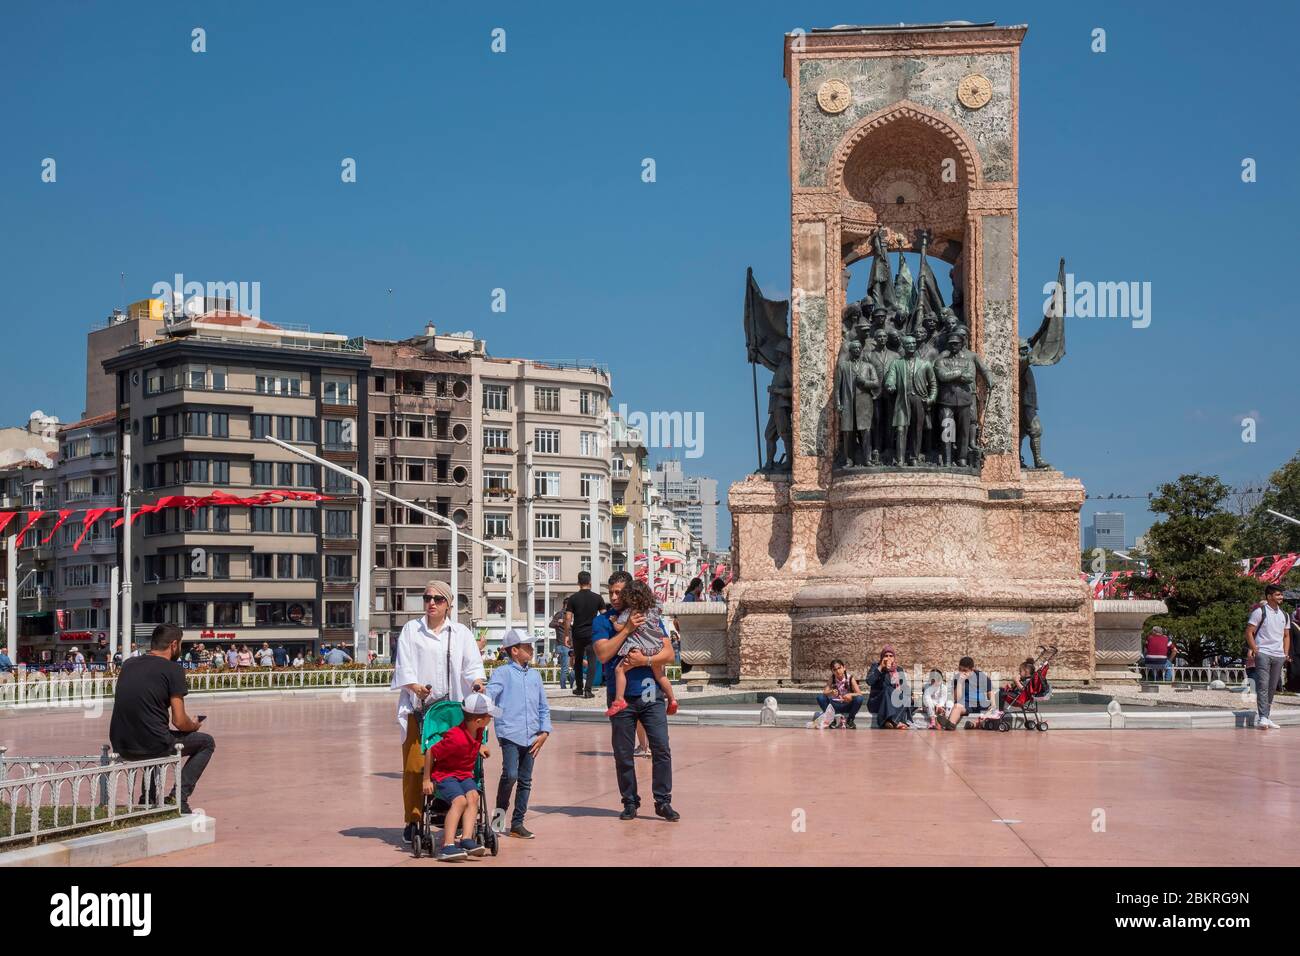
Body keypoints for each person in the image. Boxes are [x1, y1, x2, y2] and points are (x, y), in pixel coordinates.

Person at [393, 579, 486, 843]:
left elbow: (472, 667)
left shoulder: (461, 633)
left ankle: (451, 813)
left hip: (453, 712)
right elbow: (404, 665)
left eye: (438, 599)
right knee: (414, 767)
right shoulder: (412, 629)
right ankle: (412, 818)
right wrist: (414, 686)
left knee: (454, 763)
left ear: (448, 605)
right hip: (418, 709)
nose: (431, 603)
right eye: (427, 598)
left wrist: (478, 682)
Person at [592, 570, 679, 822]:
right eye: (611, 593)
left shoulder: (648, 614)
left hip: (651, 693)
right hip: (621, 697)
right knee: (622, 752)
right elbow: (603, 654)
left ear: (630, 592)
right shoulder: (604, 621)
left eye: (619, 592)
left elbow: (669, 654)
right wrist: (627, 629)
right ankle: (630, 802)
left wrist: (645, 659)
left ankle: (663, 801)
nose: (615, 597)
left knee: (661, 747)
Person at [108, 623, 215, 814]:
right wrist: (194, 724)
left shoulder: (128, 664)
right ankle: (178, 797)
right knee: (206, 743)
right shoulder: (172, 669)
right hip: (152, 745)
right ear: (174, 645)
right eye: (180, 645)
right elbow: (179, 721)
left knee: (155, 731)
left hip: (120, 743)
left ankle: (147, 798)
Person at [485, 629, 551, 840]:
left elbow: (543, 707)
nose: (531, 649)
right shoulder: (502, 673)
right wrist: (501, 717)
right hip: (510, 735)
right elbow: (488, 700)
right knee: (510, 775)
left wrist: (545, 731)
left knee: (525, 780)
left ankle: (517, 824)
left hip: (532, 736)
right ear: (514, 651)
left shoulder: (535, 675)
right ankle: (497, 821)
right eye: (527, 646)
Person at [422, 690, 498, 861]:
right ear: (479, 720)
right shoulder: (455, 738)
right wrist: (426, 779)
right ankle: (447, 845)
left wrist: (479, 747)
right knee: (460, 801)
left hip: (464, 774)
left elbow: (470, 743)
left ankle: (466, 839)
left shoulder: (477, 732)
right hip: (445, 775)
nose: (491, 719)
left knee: (473, 796)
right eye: (490, 717)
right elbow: (431, 752)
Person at [604, 579, 679, 718]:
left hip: (638, 647)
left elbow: (619, 627)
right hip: (654, 646)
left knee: (619, 670)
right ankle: (672, 698)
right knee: (660, 674)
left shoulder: (630, 612)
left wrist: (614, 620)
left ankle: (619, 700)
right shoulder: (655, 607)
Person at [1245, 584, 1290, 730]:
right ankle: (1263, 717)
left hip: (1278, 655)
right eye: (1278, 594)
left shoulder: (1285, 615)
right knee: (1263, 685)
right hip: (1263, 653)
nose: (1281, 597)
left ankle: (1267, 716)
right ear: (1269, 597)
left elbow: (1286, 635)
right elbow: (1249, 632)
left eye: (1281, 594)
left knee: (1272, 687)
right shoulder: (1259, 612)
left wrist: (1285, 653)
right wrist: (1255, 649)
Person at [564, 572, 605, 699]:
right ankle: (588, 690)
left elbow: (568, 617)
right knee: (592, 661)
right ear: (590, 583)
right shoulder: (597, 598)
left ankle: (579, 688)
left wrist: (567, 635)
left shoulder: (573, 598)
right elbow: (604, 616)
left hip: (577, 634)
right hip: (592, 634)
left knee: (578, 660)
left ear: (578, 583)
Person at [936, 657, 992, 730]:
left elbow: (990, 691)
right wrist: (960, 682)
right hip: (966, 705)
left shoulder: (981, 676)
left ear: (972, 669)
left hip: (981, 704)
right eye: (960, 670)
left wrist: (992, 703)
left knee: (993, 711)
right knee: (957, 707)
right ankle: (950, 725)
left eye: (965, 670)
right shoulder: (957, 678)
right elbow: (957, 698)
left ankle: (974, 724)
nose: (962, 672)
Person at [864, 646, 911, 729]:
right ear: (882, 657)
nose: (888, 658)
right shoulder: (876, 666)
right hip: (877, 701)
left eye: (891, 656)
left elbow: (904, 687)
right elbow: (869, 681)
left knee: (908, 696)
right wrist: (881, 667)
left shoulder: (899, 669)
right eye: (886, 656)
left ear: (894, 658)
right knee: (888, 689)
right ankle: (894, 721)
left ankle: (891, 721)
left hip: (894, 700)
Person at [815, 659, 863, 728]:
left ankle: (850, 720)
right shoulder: (832, 678)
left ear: (844, 668)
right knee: (820, 698)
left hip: (847, 704)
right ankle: (832, 720)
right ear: (832, 671)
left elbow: (859, 694)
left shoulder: (850, 678)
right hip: (835, 705)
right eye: (835, 670)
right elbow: (825, 692)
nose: (838, 671)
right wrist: (831, 692)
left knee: (859, 699)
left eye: (839, 668)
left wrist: (850, 695)